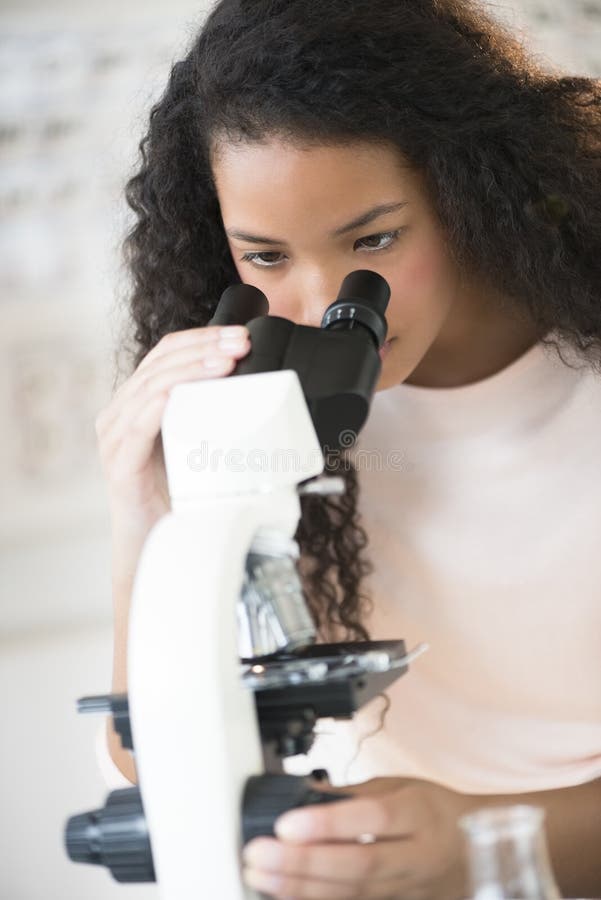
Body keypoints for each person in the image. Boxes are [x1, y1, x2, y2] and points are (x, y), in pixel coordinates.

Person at [95, 0, 601, 897]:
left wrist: (476, 839)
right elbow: (155, 771)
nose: (323, 301)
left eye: (371, 240)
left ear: (469, 187)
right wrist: (147, 522)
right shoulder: (258, 403)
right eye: (265, 257)